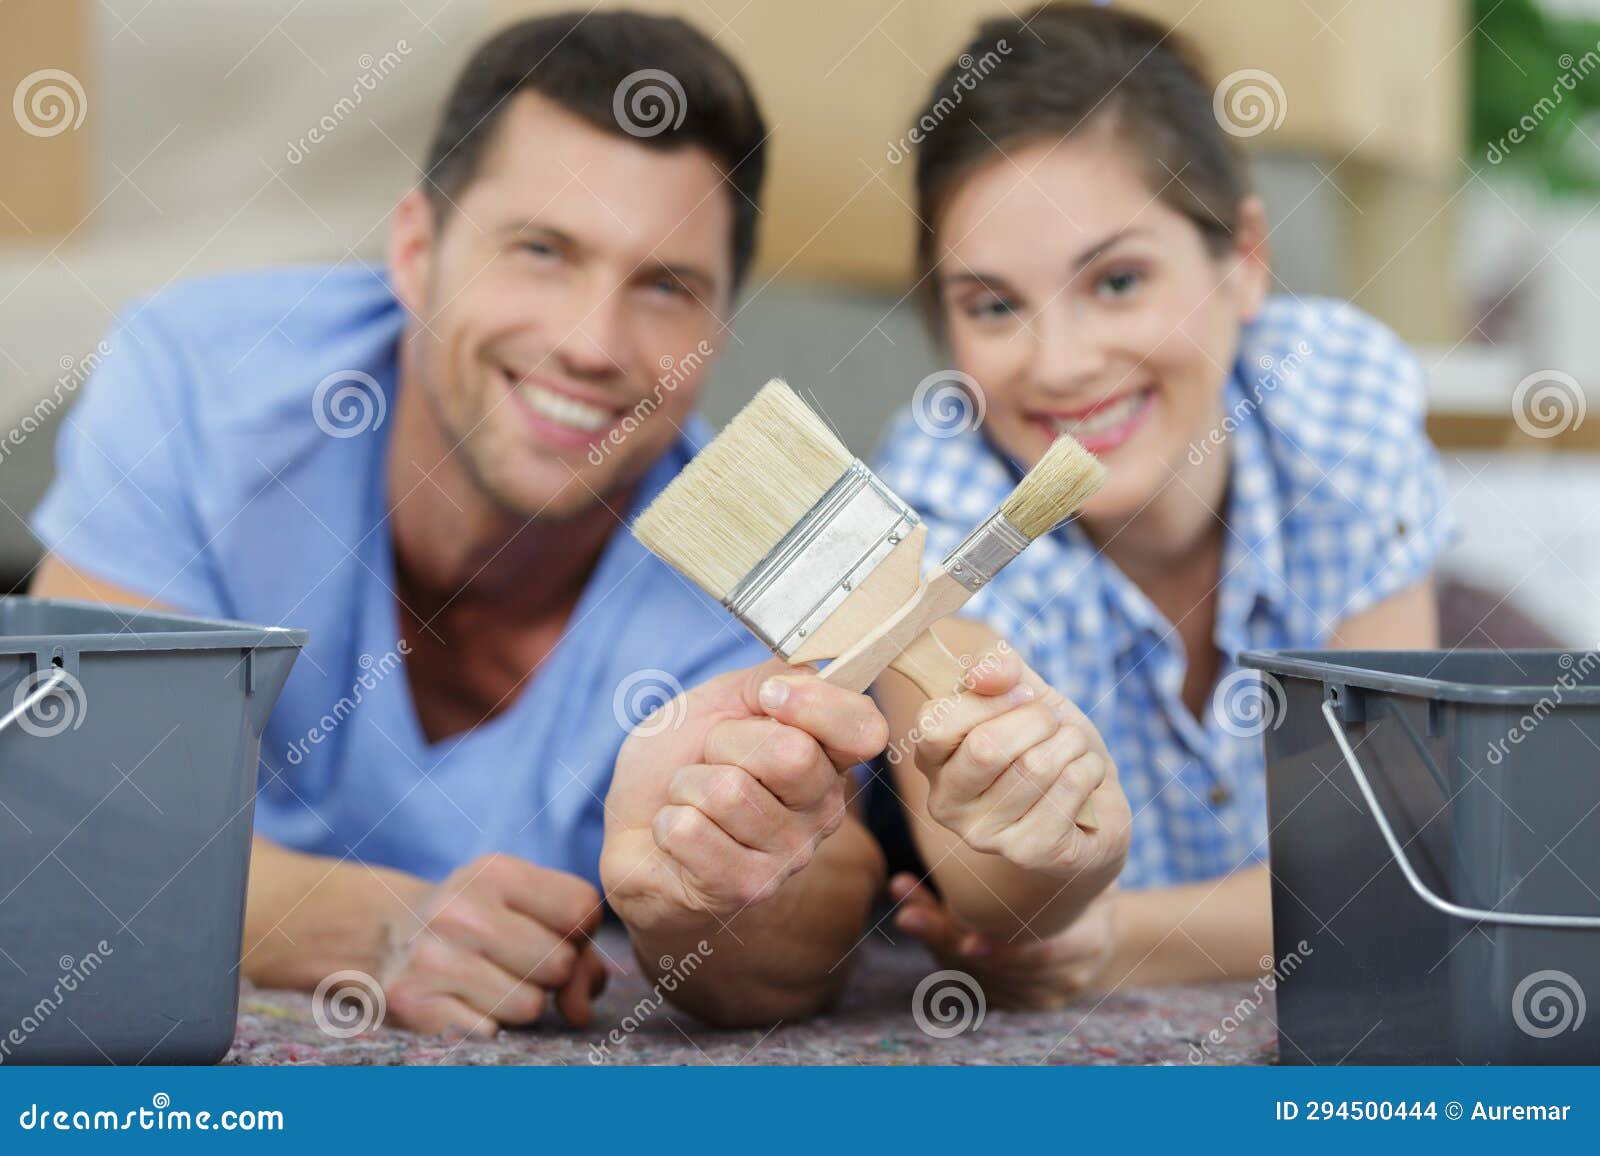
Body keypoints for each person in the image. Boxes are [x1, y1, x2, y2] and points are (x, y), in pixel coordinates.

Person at [30, 10, 1128, 1035]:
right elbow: (71, 826)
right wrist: (366, 923)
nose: (593, 342)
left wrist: (710, 895)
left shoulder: (761, 548)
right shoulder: (197, 382)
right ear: (415, 251)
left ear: (719, 332)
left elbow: (816, 909)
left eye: (664, 286)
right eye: (541, 250)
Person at [870, 2, 1453, 1002]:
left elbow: (1398, 864)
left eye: (1118, 280)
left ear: (1244, 260)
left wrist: (1113, 938)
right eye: (993, 305)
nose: (1060, 366)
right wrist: (1029, 907)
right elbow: (991, 888)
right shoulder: (930, 504)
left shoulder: (1335, 398)